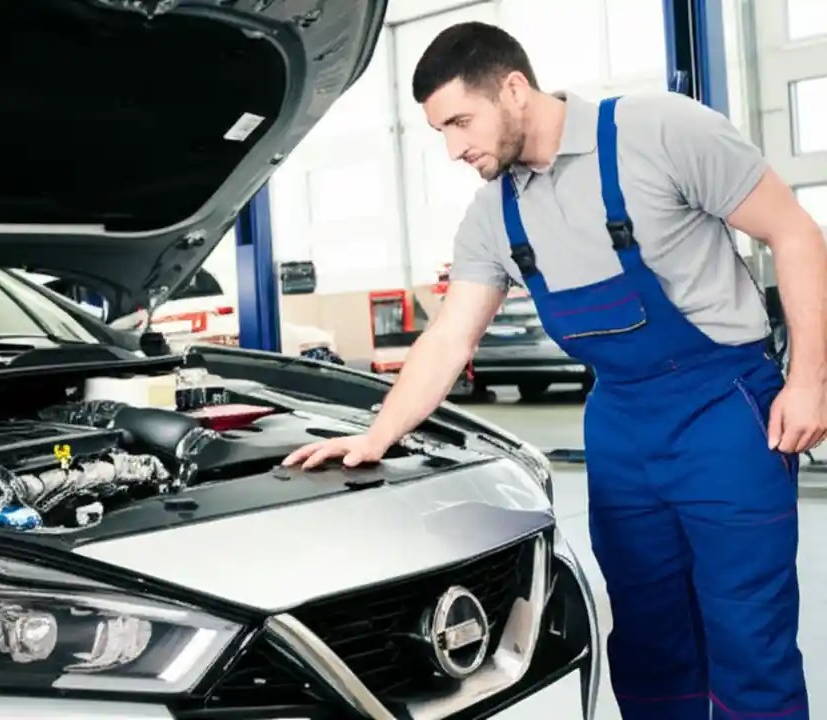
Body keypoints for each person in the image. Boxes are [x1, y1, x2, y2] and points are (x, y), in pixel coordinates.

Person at [282, 21, 826, 720]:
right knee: (649, 637)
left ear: (513, 89)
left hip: (724, 410)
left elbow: (796, 232)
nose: (453, 148)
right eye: (438, 131)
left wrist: (808, 380)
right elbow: (449, 337)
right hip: (621, 427)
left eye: (459, 121)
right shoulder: (493, 214)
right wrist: (374, 436)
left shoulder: (658, 131)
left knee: (747, 629)